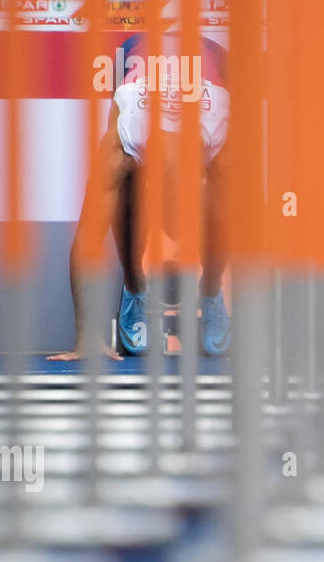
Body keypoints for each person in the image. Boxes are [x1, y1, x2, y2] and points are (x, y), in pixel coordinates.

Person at [49, 33, 232, 361]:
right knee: (118, 193)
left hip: (210, 58)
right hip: (138, 56)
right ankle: (135, 287)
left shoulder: (220, 136)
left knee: (228, 208)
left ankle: (211, 291)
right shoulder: (126, 136)